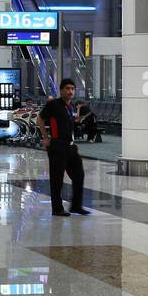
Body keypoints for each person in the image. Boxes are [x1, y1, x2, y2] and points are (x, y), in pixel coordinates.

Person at [38, 78, 89, 215]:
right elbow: (40, 118)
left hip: (71, 147)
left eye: (72, 89)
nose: (70, 91)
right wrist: (46, 137)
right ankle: (57, 208)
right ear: (61, 90)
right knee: (57, 179)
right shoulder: (53, 104)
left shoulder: (70, 106)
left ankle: (76, 206)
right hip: (57, 146)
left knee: (79, 175)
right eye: (67, 88)